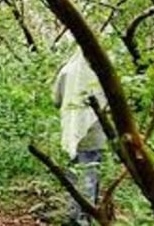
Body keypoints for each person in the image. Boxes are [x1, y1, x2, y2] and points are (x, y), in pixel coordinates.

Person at [52, 49, 107, 225]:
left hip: (72, 133)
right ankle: (83, 218)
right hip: (96, 133)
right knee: (90, 176)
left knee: (74, 175)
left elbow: (56, 100)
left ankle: (73, 215)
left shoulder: (67, 70)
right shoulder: (102, 71)